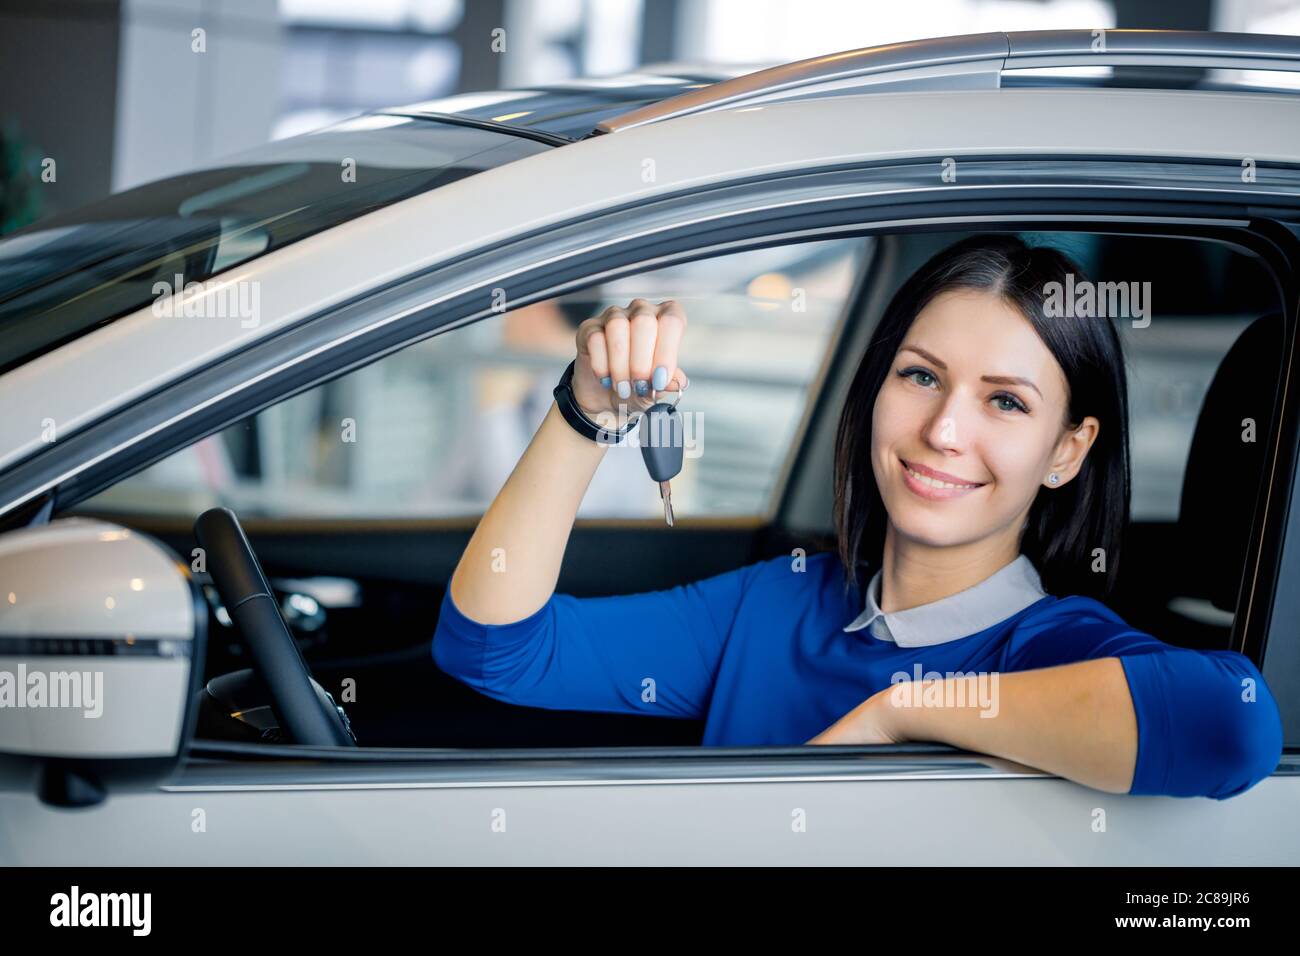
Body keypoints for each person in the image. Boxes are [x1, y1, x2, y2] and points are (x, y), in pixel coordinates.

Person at [432, 234, 1283, 800]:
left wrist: (900, 713)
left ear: (1068, 450)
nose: (944, 431)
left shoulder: (1056, 651)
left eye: (1006, 403)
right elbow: (491, 648)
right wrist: (588, 413)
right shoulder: (780, 604)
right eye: (920, 377)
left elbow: (1235, 721)